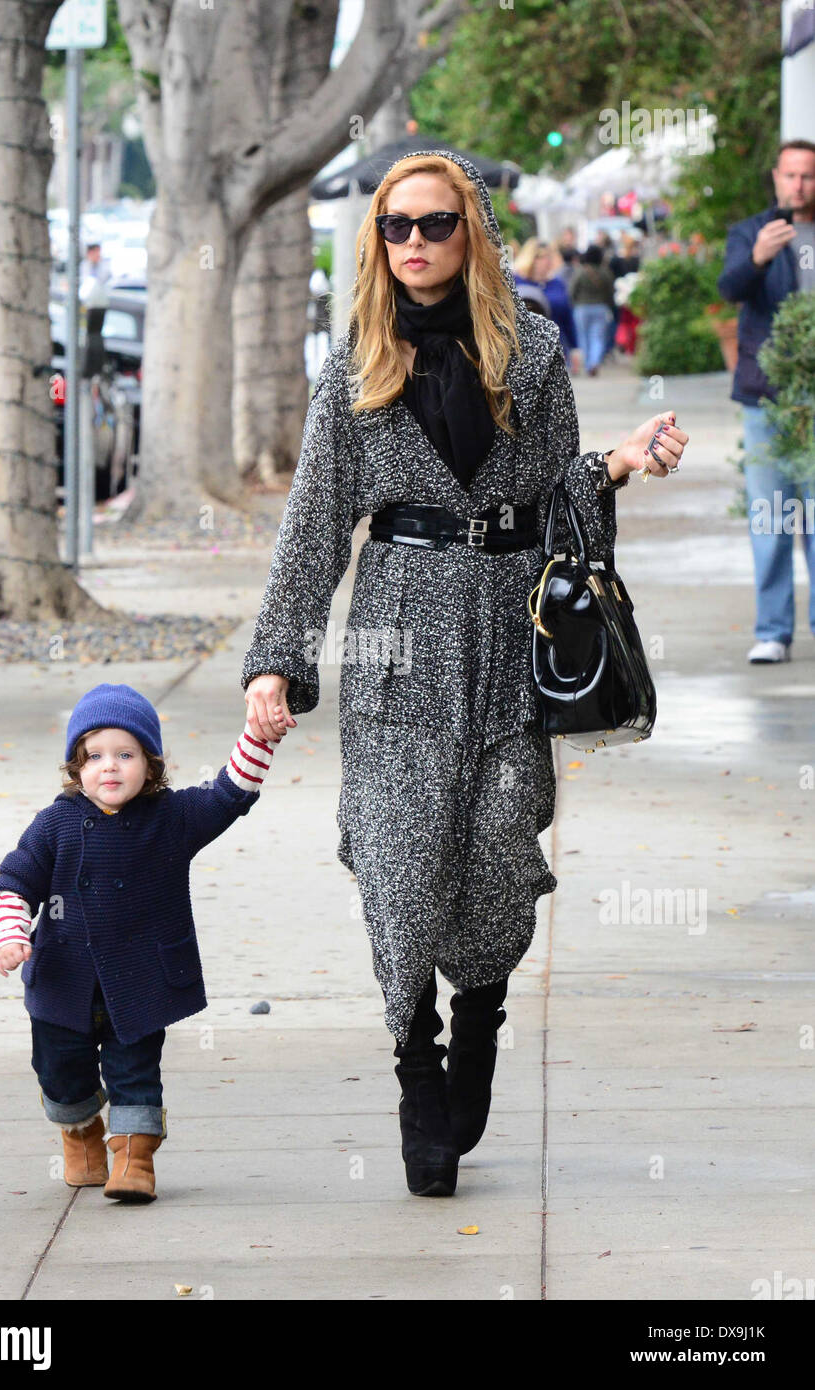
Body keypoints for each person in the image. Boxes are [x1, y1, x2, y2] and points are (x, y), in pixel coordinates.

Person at [240, 150, 688, 1199]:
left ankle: (477, 1008)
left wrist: (617, 465)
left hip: (503, 637)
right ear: (378, 241)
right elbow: (314, 526)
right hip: (397, 636)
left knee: (493, 848)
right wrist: (276, 661)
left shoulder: (530, 349)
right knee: (400, 862)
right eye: (395, 228)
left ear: (471, 232)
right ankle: (414, 1062)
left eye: (435, 225)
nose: (414, 245)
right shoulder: (355, 357)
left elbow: (559, 498)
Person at [0, 683, 281, 1202]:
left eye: (126, 755)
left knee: (136, 1072)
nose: (110, 767)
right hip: (63, 982)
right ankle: (81, 1136)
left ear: (150, 765)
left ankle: (134, 1158)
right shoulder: (56, 822)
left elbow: (230, 793)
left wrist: (258, 735)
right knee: (60, 1073)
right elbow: (17, 879)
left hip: (139, 981)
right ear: (76, 768)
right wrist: (11, 932)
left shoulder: (171, 818)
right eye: (95, 756)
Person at [717, 138, 815, 663]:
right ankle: (774, 630)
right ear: (776, 177)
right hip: (767, 397)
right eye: (791, 175)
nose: (798, 185)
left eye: (808, 176)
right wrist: (758, 257)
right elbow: (729, 287)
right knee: (773, 516)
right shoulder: (751, 232)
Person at [513, 238, 579, 368]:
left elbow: (567, 317)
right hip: (523, 351)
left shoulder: (557, 284)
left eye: (549, 257)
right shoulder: (515, 281)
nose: (547, 261)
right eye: (542, 257)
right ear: (531, 258)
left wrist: (575, 348)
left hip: (555, 350)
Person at [568, 243, 616, 376]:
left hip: (581, 309)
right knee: (598, 337)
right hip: (601, 308)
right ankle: (594, 362)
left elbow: (572, 291)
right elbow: (611, 292)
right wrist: (610, 307)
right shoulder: (606, 272)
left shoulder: (580, 271)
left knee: (584, 337)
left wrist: (574, 304)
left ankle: (588, 362)